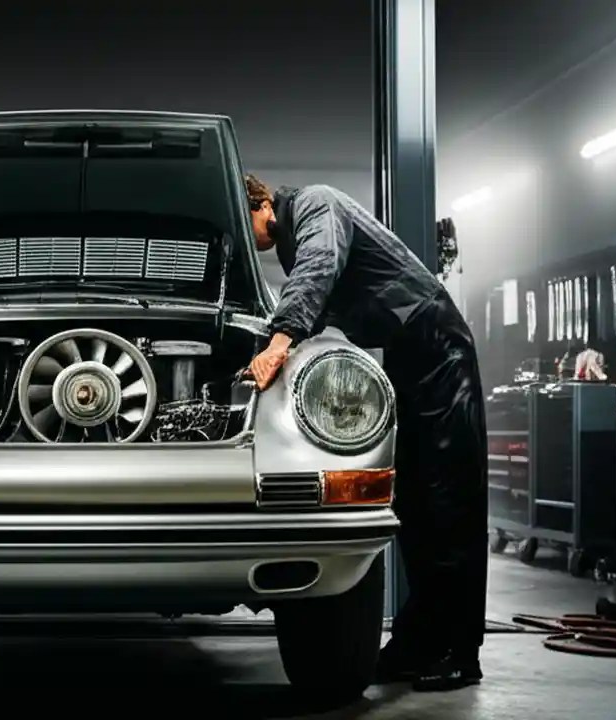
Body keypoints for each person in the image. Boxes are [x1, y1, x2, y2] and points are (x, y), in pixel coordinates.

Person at [243, 174, 488, 692]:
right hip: (409, 352)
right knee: (415, 504)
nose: (250, 237)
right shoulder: (290, 242)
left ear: (262, 202)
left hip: (438, 346)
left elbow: (319, 268)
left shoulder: (315, 205)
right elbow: (317, 303)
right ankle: (417, 643)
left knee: (449, 502)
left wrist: (279, 342)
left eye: (247, 224)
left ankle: (458, 651)